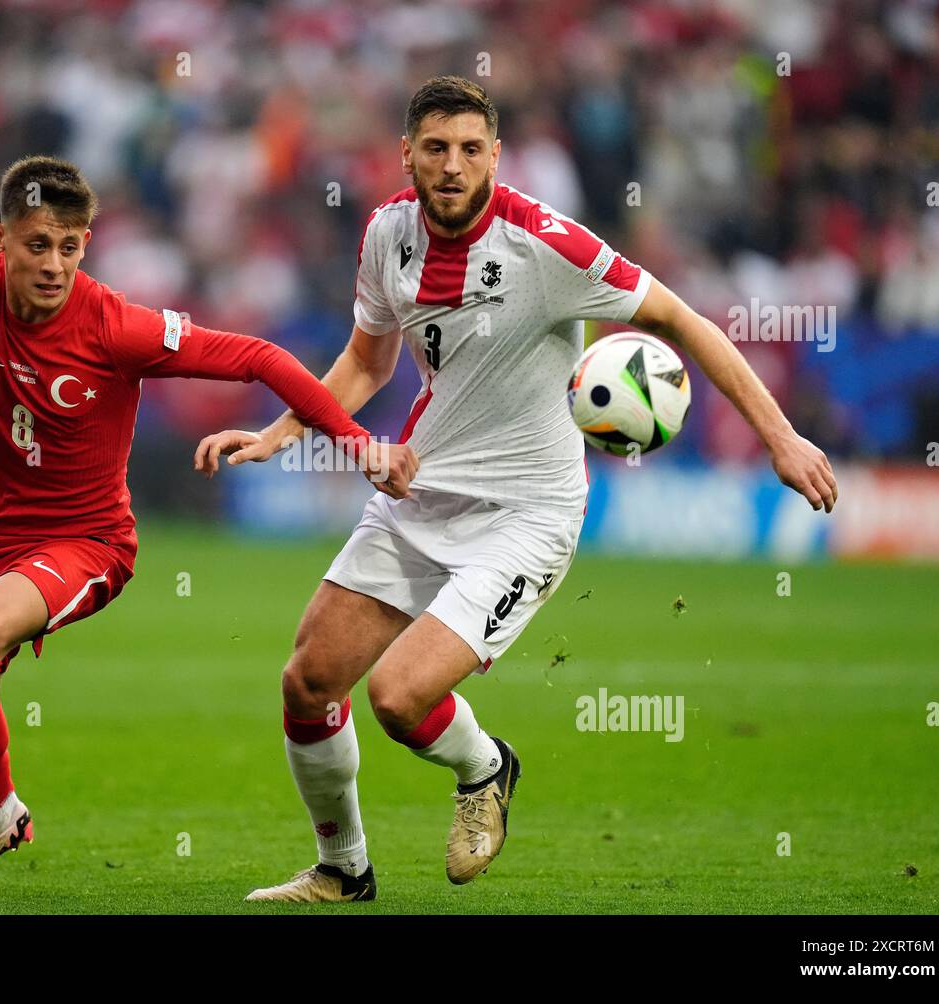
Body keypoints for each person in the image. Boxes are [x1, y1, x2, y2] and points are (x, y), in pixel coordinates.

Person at [195, 76, 838, 902]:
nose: (454, 166)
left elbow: (682, 320)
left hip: (527, 515)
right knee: (308, 682)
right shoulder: (388, 234)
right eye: (436, 149)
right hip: (422, 494)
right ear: (407, 156)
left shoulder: (548, 246)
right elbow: (367, 360)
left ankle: (488, 768)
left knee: (398, 697)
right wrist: (284, 431)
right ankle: (343, 870)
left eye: (470, 149)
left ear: (496, 154)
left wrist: (780, 439)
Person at [0, 155, 416, 891]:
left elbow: (257, 357)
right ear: (1, 239)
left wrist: (357, 443)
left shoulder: (115, 326)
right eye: (38, 245)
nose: (53, 265)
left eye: (70, 248)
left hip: (86, 542)